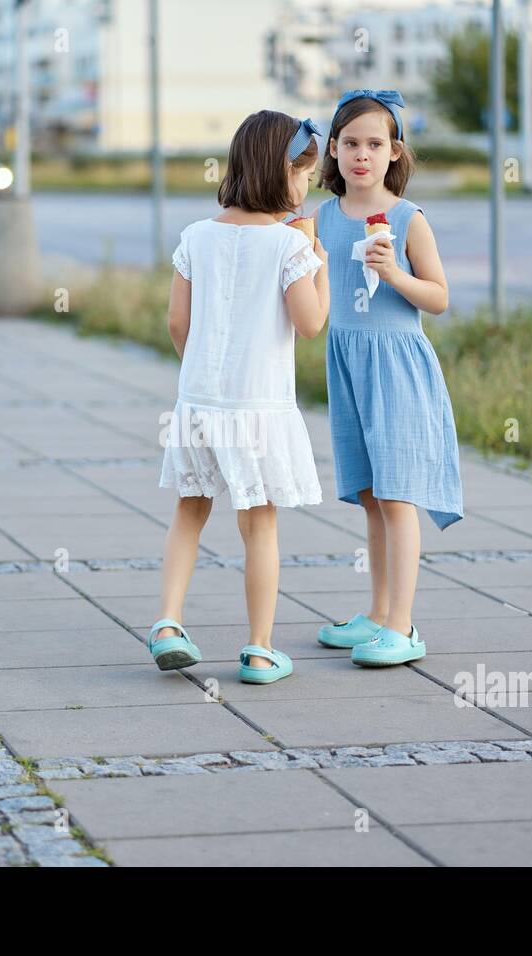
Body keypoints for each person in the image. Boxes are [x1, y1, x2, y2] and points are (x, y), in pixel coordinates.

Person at [148, 111, 329, 686]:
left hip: (198, 402)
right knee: (260, 526)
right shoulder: (287, 245)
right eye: (305, 176)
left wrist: (201, 377)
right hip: (258, 409)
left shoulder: (196, 236)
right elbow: (310, 323)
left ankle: (169, 624)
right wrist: (317, 259)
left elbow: (178, 322)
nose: (308, 189)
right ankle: (258, 648)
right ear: (283, 173)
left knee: (189, 510)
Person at [312, 88, 462, 668]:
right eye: (350, 143)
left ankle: (403, 625)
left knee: (398, 494)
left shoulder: (406, 218)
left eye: (375, 143)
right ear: (333, 148)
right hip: (347, 363)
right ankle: (377, 612)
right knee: (371, 495)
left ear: (395, 152)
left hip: (396, 365)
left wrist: (395, 273)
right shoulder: (322, 218)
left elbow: (441, 298)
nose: (362, 155)